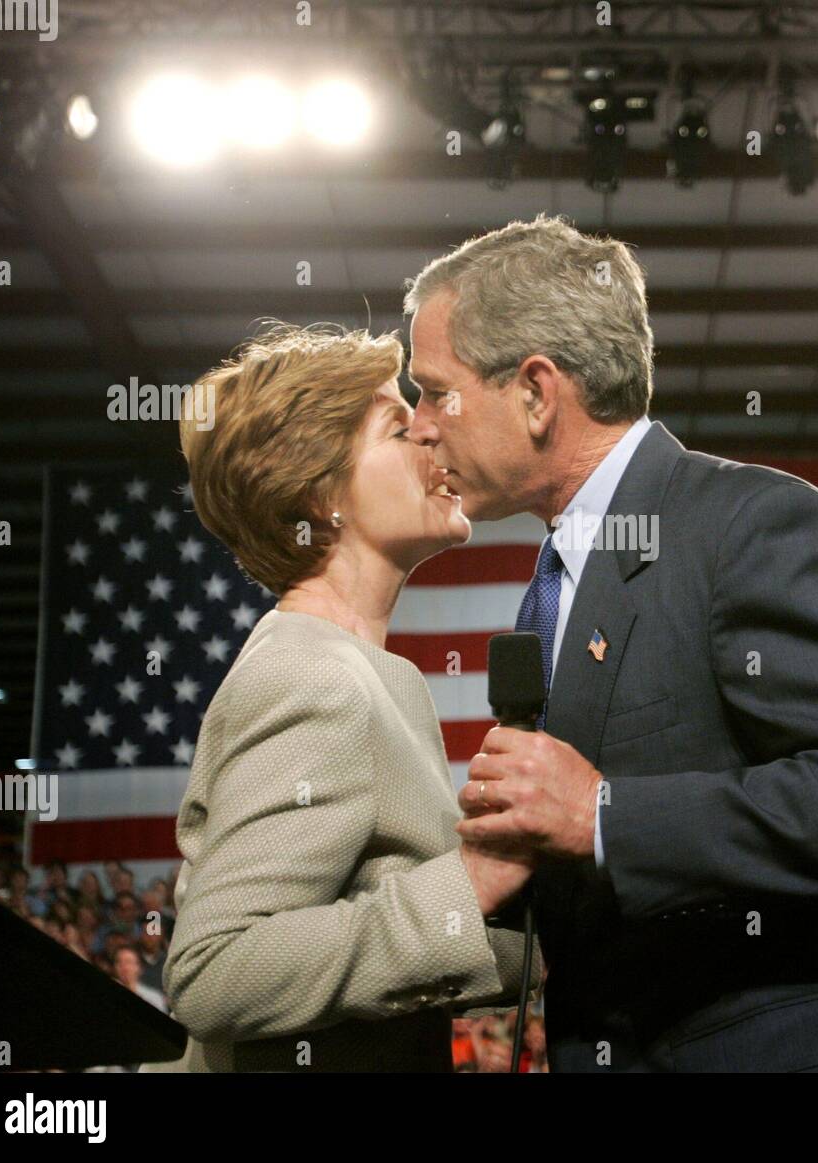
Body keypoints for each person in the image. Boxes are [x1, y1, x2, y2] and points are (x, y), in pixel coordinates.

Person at [404, 214, 818, 1072]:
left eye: (434, 391)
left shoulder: (748, 524)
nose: (420, 425)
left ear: (536, 392)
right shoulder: (560, 581)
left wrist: (604, 815)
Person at [155, 324, 532, 1072]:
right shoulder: (315, 676)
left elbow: (379, 939)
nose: (431, 434)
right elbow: (213, 970)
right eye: (398, 426)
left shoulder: (364, 671)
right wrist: (470, 882)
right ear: (321, 495)